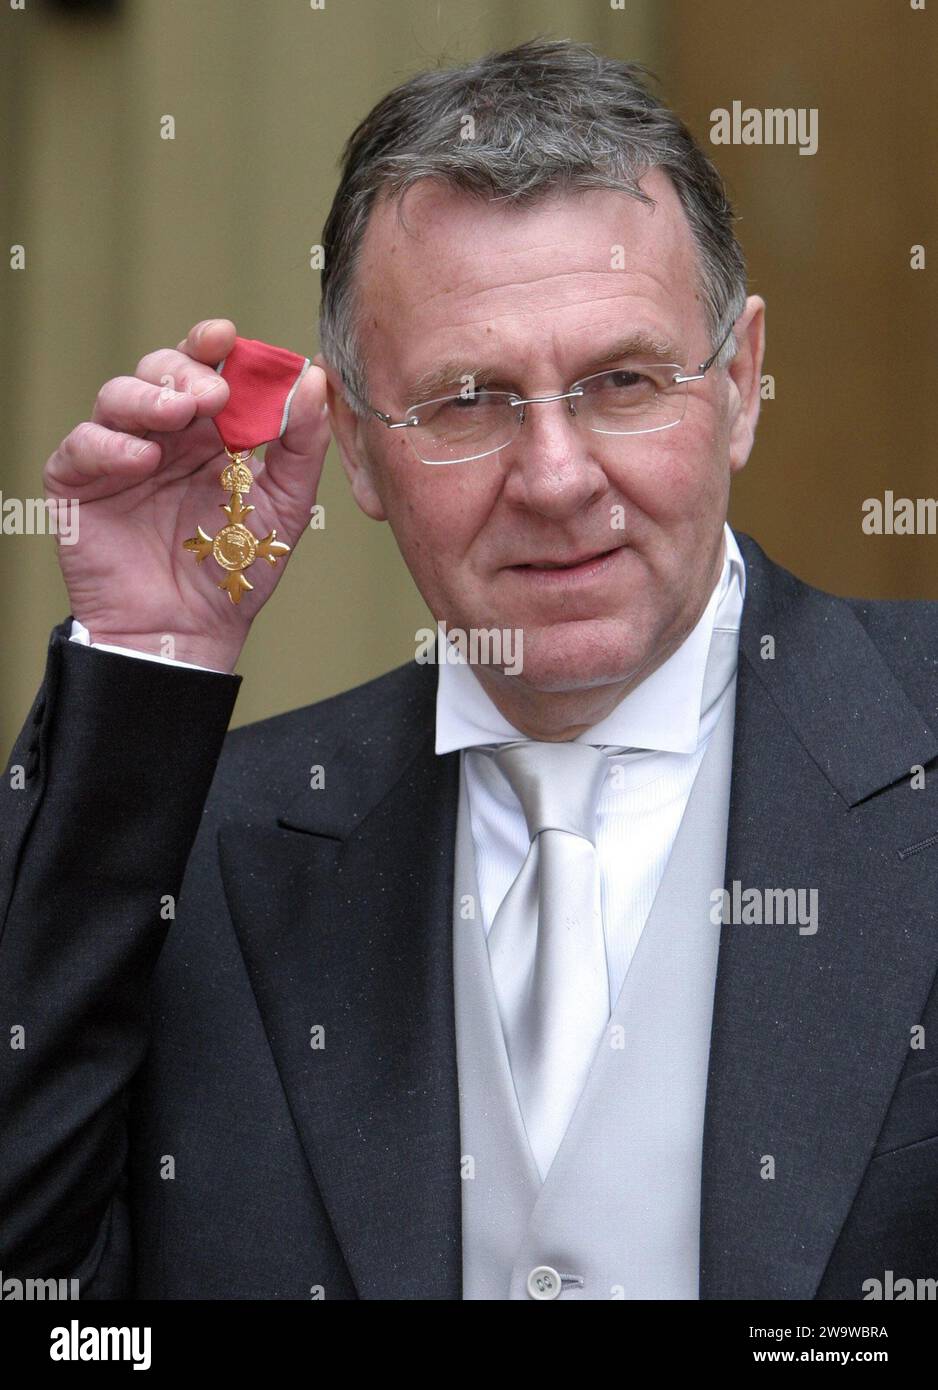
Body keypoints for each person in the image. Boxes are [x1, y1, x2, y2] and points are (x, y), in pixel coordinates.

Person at [2, 37, 936, 1303]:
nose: (554, 477)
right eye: (465, 401)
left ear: (739, 384)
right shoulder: (201, 851)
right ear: (362, 459)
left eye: (621, 381)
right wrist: (148, 665)